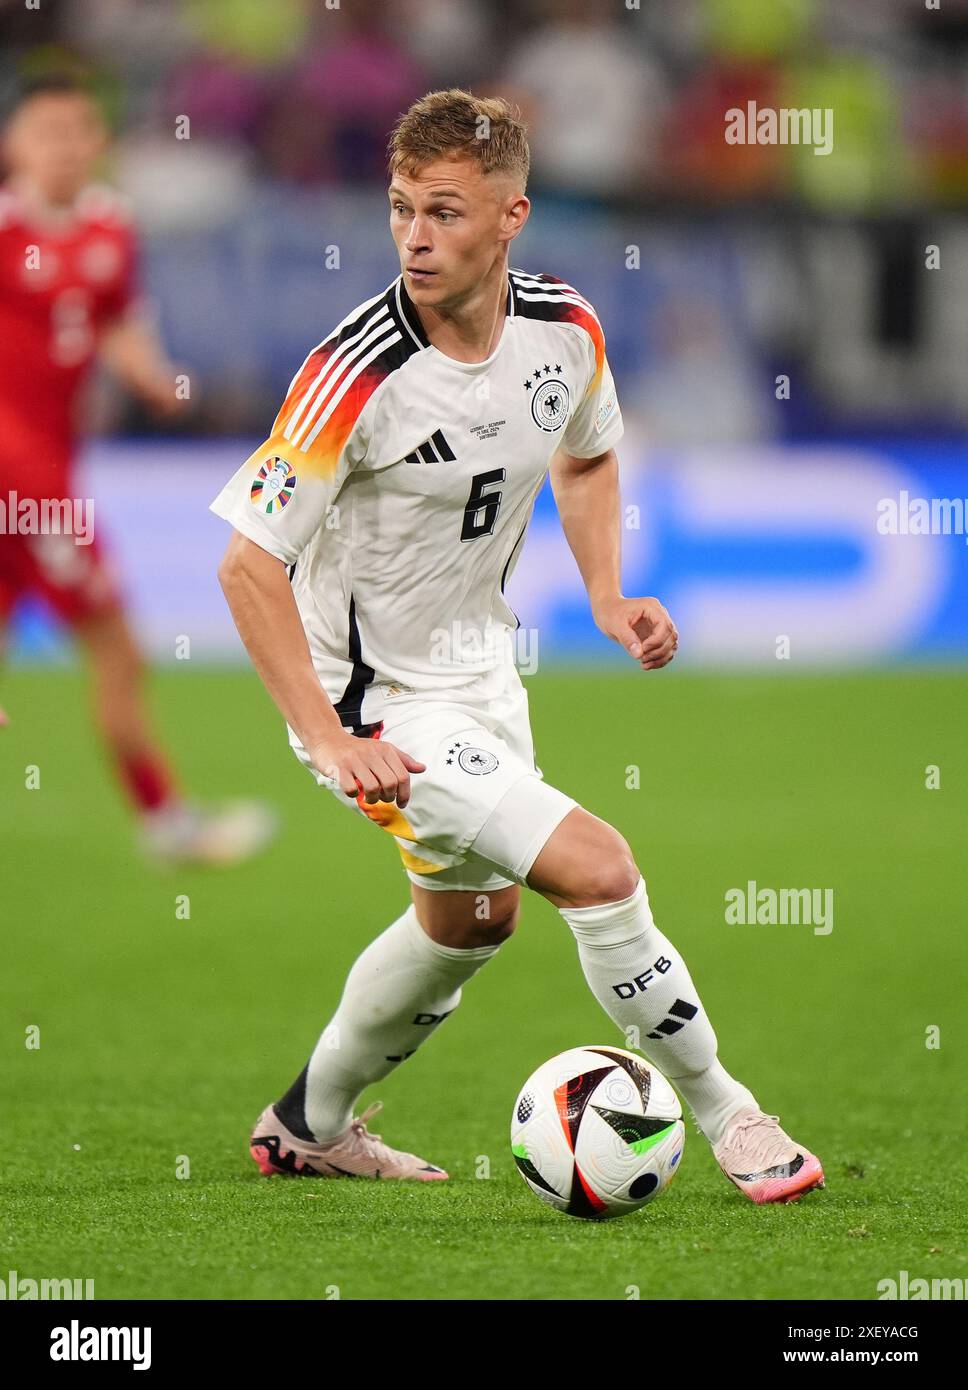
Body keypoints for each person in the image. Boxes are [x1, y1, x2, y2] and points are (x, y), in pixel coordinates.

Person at [212, 89, 824, 1204]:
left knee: (465, 924)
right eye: (400, 207)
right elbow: (246, 566)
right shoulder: (350, 375)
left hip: (480, 675)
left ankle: (307, 1123)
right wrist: (328, 739)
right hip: (374, 708)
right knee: (599, 868)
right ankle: (732, 1113)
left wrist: (604, 592)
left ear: (510, 216)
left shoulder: (565, 327)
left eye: (443, 211)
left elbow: (584, 456)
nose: (412, 234)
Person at [0, 74, 276, 865]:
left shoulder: (109, 229)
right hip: (24, 483)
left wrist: (152, 374)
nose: (64, 146)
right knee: (121, 652)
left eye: (79, 130)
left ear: (99, 145)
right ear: (15, 144)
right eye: (45, 130)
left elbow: (114, 322)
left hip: (52, 468)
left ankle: (169, 823)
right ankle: (168, 826)